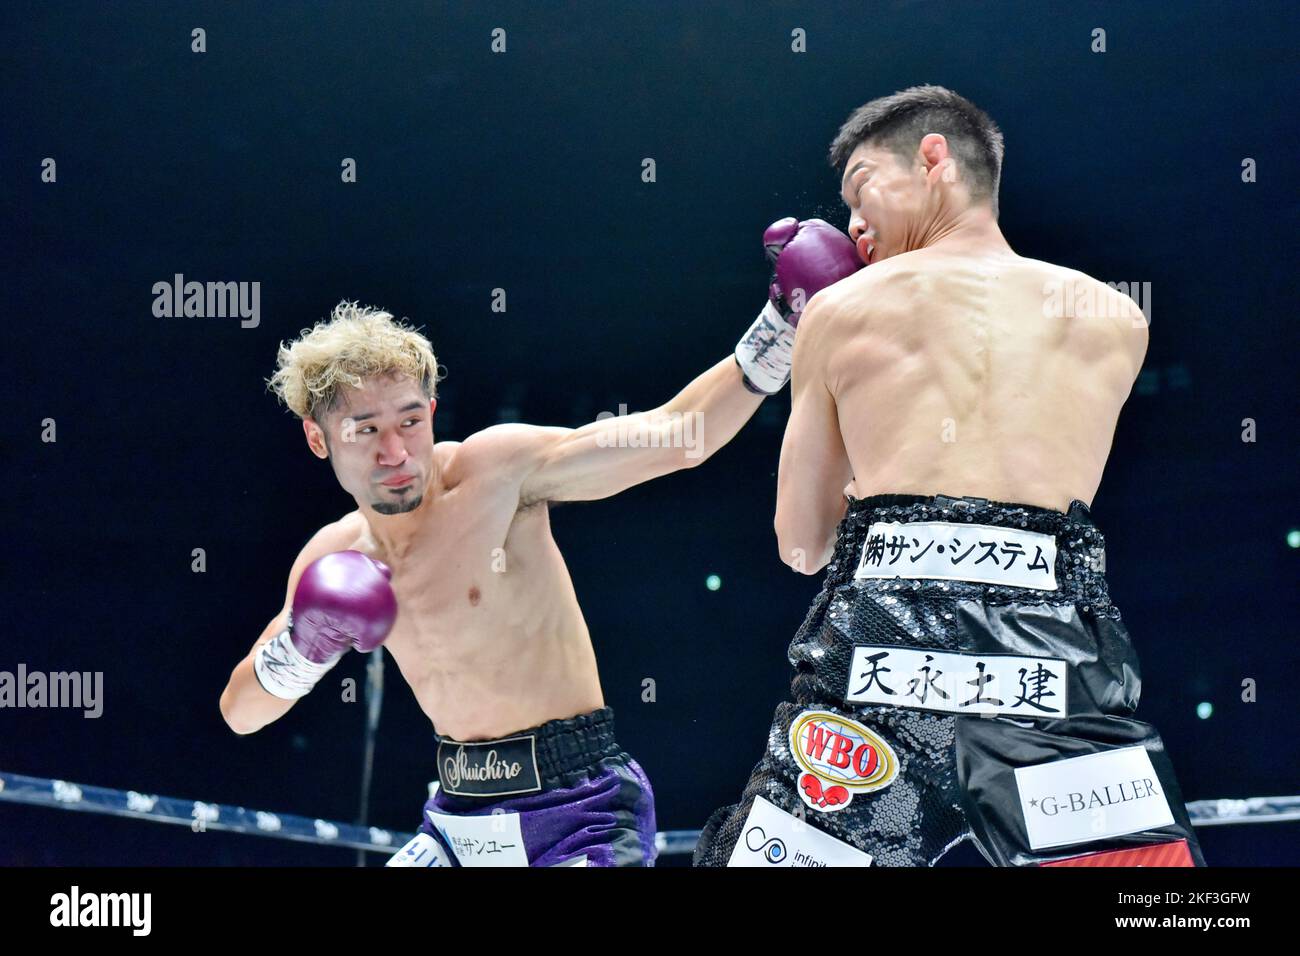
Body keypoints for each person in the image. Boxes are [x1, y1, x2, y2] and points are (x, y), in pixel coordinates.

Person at [218, 215, 861, 868]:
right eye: (364, 430)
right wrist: (302, 646)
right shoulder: (335, 557)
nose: (395, 450)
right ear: (318, 437)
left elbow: (677, 436)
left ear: (432, 412)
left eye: (409, 420)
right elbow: (241, 714)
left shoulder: (495, 472)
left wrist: (779, 329)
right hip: (455, 820)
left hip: (578, 805)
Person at [693, 85, 1207, 868]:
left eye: (861, 187)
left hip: (878, 663)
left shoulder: (838, 312)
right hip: (1050, 663)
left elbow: (801, 543)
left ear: (934, 157)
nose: (853, 225)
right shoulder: (1113, 317)